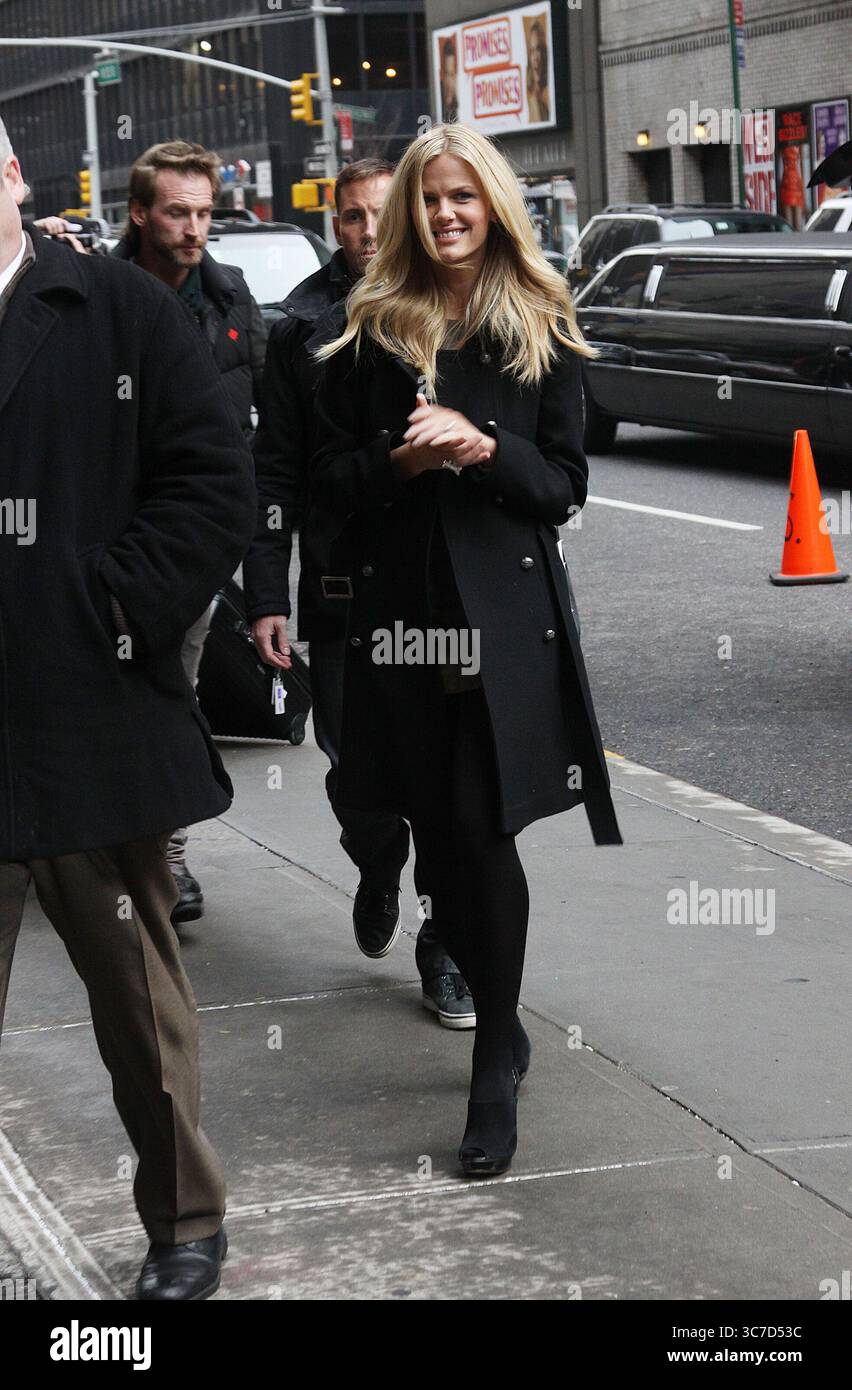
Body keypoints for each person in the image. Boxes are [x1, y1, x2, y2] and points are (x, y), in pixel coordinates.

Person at [309, 122, 622, 1178]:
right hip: (405, 626)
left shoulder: (540, 325)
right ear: (408, 210)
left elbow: (563, 488)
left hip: (505, 625)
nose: (447, 214)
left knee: (486, 832)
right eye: (430, 199)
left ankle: (496, 1049)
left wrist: (484, 447)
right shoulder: (372, 329)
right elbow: (327, 489)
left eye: (465, 198)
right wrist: (400, 460)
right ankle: (502, 1019)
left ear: (492, 208)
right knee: (437, 832)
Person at [0, 116, 255, 1298]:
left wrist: (109, 611)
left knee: (140, 1013)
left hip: (85, 716)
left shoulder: (117, 308)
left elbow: (212, 485)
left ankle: (184, 1223)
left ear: (10, 176)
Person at [244, 159, 474, 1028]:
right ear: (332, 224)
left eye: (387, 212)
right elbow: (277, 474)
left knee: (454, 784)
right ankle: (379, 863)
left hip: (442, 589)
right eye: (351, 217)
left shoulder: (456, 303)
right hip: (345, 591)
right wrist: (268, 592)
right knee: (362, 781)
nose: (370, 232)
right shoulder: (302, 325)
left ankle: (446, 942)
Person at [113, 141, 267, 927]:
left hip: (196, 545)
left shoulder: (230, 295)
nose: (194, 228)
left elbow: (261, 427)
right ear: (140, 212)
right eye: (177, 212)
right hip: (110, 543)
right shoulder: (96, 295)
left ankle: (165, 855)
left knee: (178, 687)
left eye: (205, 212)